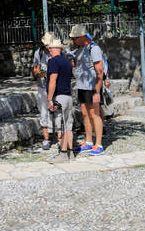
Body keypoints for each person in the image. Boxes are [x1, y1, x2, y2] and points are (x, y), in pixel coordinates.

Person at [69, 24, 107, 155]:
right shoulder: (81, 48)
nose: (73, 40)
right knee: (85, 113)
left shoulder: (94, 48)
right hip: (81, 86)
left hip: (92, 87)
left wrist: (97, 91)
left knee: (94, 114)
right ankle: (89, 141)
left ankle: (99, 144)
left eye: (75, 38)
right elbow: (77, 64)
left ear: (82, 36)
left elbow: (100, 71)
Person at [33, 32, 64, 150]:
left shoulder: (59, 52)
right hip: (42, 86)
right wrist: (39, 73)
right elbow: (34, 71)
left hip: (57, 87)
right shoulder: (39, 53)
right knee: (44, 113)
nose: (46, 47)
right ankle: (46, 138)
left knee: (58, 112)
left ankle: (60, 138)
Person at [45, 36, 76, 158]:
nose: (49, 50)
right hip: (68, 95)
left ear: (53, 49)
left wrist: (49, 99)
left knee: (61, 125)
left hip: (59, 96)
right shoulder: (67, 62)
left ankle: (63, 153)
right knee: (69, 125)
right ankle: (71, 151)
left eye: (50, 48)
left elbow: (53, 81)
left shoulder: (54, 61)